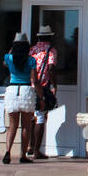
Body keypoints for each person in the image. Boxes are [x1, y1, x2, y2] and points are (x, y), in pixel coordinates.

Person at [2, 32, 40, 164]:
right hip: (26, 90)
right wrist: (41, 96)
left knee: (12, 126)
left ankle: (7, 151)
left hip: (12, 90)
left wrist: (13, 48)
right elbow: (34, 79)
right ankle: (23, 155)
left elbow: (5, 62)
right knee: (26, 126)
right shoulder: (31, 60)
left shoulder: (8, 58)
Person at [30, 25, 58, 159]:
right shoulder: (51, 51)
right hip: (42, 87)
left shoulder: (32, 49)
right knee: (41, 117)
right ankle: (36, 151)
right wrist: (54, 85)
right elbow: (51, 68)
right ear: (50, 37)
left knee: (31, 117)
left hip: (28, 86)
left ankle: (30, 146)